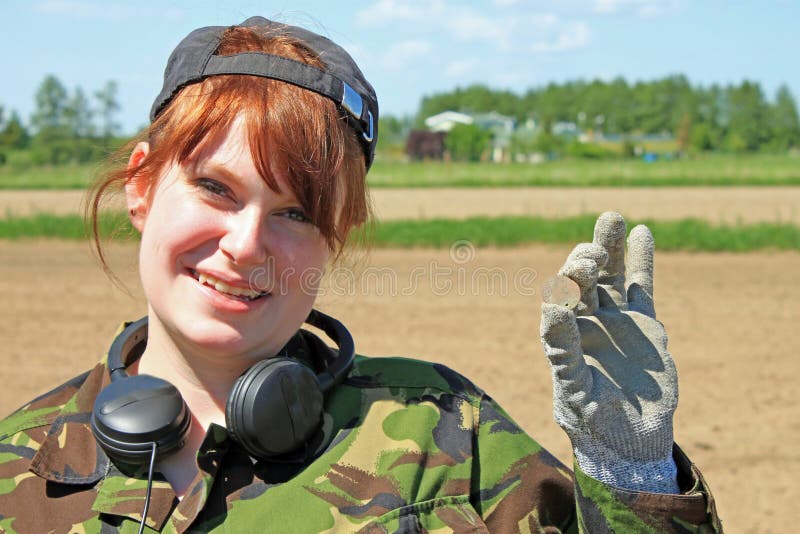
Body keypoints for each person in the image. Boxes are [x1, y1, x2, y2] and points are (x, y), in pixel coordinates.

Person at [0, 16, 721, 533]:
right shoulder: (16, 473)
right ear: (142, 186)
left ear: (332, 243)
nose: (247, 245)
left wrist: (632, 476)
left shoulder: (447, 437)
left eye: (296, 215)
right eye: (216, 189)